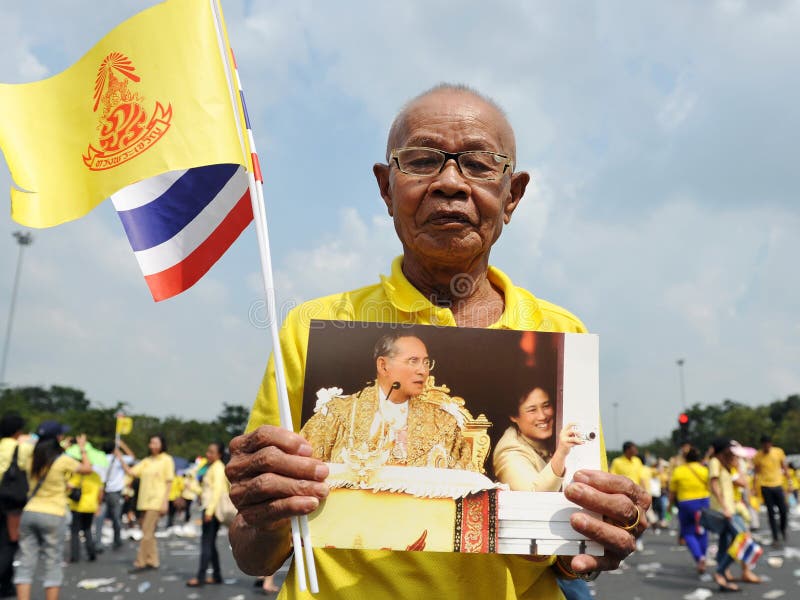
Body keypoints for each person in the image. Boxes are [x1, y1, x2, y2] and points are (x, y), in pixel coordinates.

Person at [226, 84, 650, 599]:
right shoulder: (314, 330)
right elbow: (253, 555)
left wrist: (601, 534)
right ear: (385, 188)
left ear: (511, 195)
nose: (450, 183)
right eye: (423, 160)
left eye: (478, 164)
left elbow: (567, 548)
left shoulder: (561, 336)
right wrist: (265, 509)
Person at [300, 333, 473, 470]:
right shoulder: (338, 413)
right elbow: (301, 468)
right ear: (383, 366)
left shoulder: (444, 422)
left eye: (426, 362)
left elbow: (467, 482)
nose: (423, 370)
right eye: (413, 361)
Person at [14, 422, 92, 600]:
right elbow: (87, 469)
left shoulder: (30, 458)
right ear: (57, 438)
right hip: (54, 513)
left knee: (26, 562)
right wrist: (82, 449)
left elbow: (25, 443)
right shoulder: (63, 460)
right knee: (52, 563)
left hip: (30, 511)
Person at [492, 386, 584, 491]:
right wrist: (561, 453)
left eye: (546, 406)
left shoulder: (551, 435)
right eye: (532, 410)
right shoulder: (508, 452)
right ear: (514, 416)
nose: (542, 416)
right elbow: (533, 497)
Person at [707, 438, 760, 591]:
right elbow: (714, 486)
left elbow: (741, 482)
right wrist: (724, 507)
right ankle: (720, 572)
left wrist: (738, 465)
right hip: (725, 510)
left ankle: (722, 577)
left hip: (730, 508)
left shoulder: (726, 465)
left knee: (724, 544)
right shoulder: (715, 463)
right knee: (743, 538)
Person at [118, 434, 174, 572]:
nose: (152, 445)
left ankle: (140, 562)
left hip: (156, 501)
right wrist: (120, 456)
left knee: (146, 533)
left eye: (156, 443)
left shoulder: (167, 460)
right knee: (149, 533)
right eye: (151, 443)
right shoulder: (147, 461)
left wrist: (165, 502)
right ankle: (152, 560)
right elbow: (132, 472)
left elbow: (169, 482)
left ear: (162, 445)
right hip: (144, 501)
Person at [186, 441, 227, 587]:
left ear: (219, 454)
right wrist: (193, 487)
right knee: (211, 543)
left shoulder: (218, 469)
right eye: (208, 451)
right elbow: (206, 491)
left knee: (206, 544)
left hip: (212, 510)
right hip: (209, 507)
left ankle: (201, 577)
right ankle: (217, 575)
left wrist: (209, 512)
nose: (208, 454)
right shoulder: (210, 467)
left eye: (211, 452)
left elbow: (217, 492)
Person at [0, 413, 32, 598]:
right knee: (10, 543)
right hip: (11, 502)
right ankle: (4, 583)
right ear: (18, 431)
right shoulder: (22, 449)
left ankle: (6, 584)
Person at [667, 447, 709, 574]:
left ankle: (699, 557)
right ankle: (703, 556)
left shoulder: (679, 471)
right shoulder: (704, 470)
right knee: (702, 532)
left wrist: (669, 506)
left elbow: (673, 492)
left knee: (688, 533)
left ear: (685, 458)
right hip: (703, 503)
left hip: (685, 504)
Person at [94, 439, 135, 552]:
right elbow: (132, 457)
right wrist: (122, 445)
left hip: (102, 491)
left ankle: (98, 542)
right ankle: (117, 540)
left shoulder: (99, 461)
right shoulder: (118, 460)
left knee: (99, 519)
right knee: (116, 518)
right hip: (115, 492)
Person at [752, 434, 789, 546]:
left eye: (768, 444)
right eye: (764, 444)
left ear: (771, 444)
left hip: (778, 485)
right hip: (765, 486)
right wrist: (754, 487)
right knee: (770, 513)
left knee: (783, 510)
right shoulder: (757, 456)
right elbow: (756, 473)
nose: (766, 446)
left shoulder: (778, 452)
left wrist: (789, 482)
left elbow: (784, 467)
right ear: (762, 445)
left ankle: (782, 529)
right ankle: (775, 537)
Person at [67, 463, 103, 562]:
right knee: (87, 529)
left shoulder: (78, 475)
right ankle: (91, 553)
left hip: (78, 506)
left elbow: (69, 486)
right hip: (91, 506)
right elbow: (100, 493)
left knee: (75, 532)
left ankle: (75, 556)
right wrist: (98, 505)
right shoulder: (96, 476)